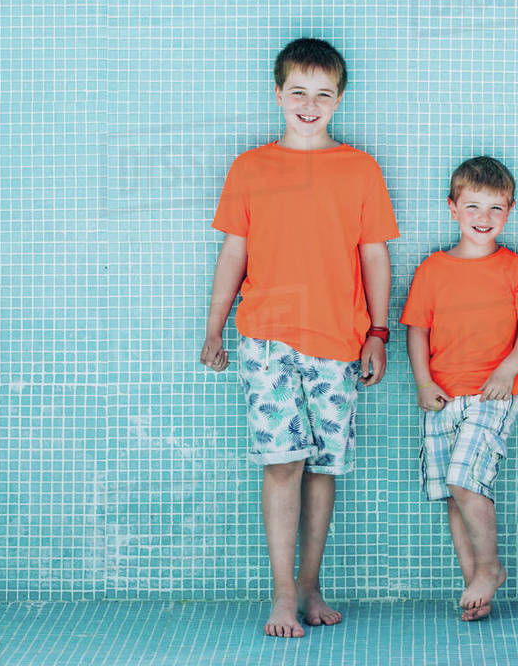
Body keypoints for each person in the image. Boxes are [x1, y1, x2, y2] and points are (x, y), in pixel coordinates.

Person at [199, 38, 399, 638]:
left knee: (321, 468)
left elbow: (375, 256)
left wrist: (378, 332)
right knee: (282, 463)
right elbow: (234, 251)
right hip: (265, 338)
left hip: (338, 339)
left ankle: (311, 583)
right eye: (298, 93)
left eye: (323, 94)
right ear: (278, 94)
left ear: (339, 99)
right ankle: (283, 593)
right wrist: (214, 326)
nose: (309, 105)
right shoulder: (251, 167)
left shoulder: (359, 168)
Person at [401, 156, 518, 621]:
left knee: (466, 479)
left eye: (496, 209)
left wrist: (508, 370)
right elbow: (417, 330)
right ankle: (476, 587)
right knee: (450, 493)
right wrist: (423, 382)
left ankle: (489, 569)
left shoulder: (516, 269)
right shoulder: (432, 269)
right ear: (453, 208)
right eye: (474, 207)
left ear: (510, 211)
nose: (484, 219)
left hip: (492, 395)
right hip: (441, 396)